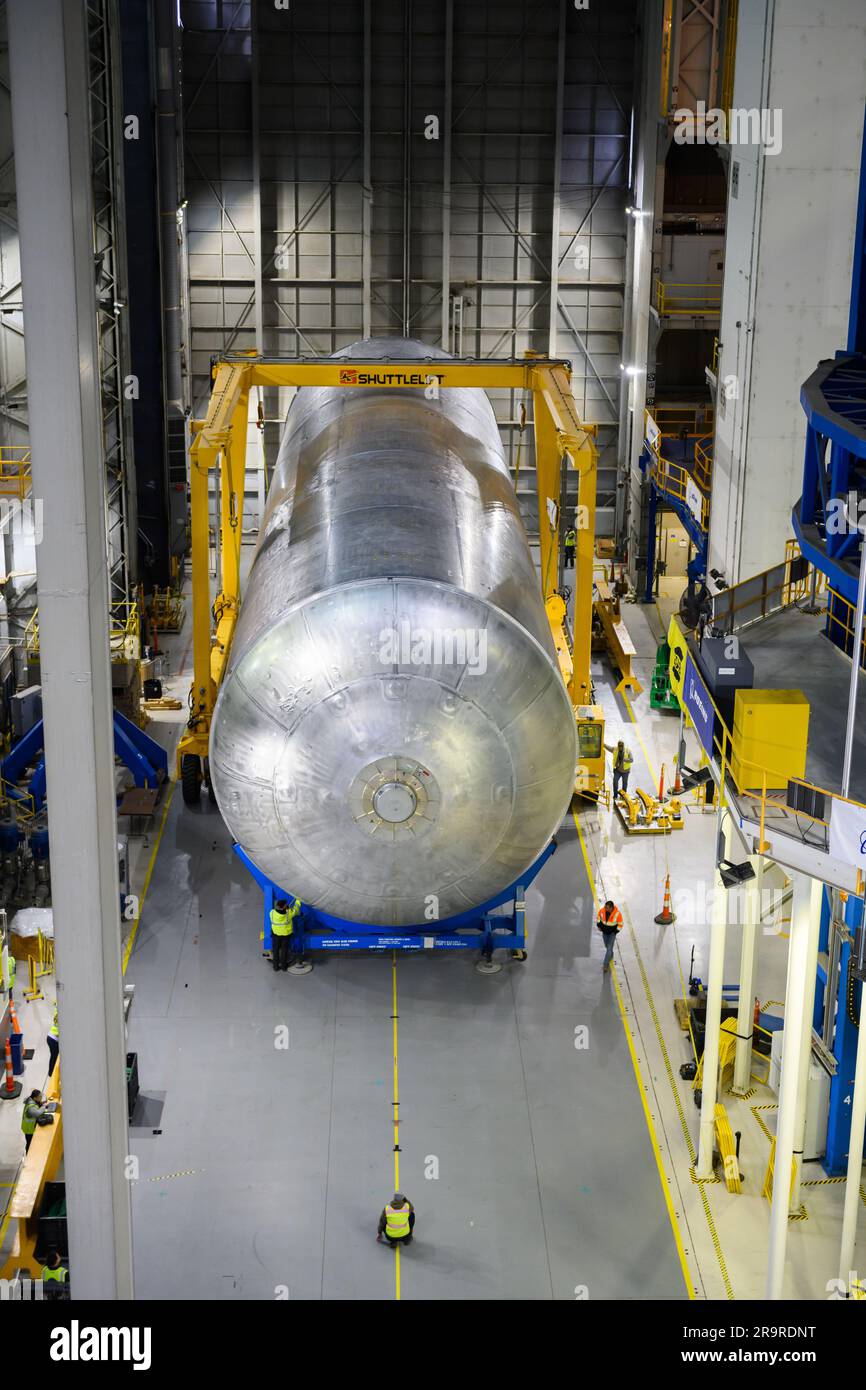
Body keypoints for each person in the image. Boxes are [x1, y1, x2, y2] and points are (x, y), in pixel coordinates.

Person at [270, 897, 301, 973]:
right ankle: (284, 967)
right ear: (284, 907)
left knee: (275, 950)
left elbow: (278, 912)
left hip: (275, 935)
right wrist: (298, 901)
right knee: (284, 951)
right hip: (285, 936)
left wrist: (285, 909)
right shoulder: (288, 914)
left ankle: (275, 967)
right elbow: (296, 910)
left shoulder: (272, 912)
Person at [597, 900, 623, 973]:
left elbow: (620, 924)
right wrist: (599, 926)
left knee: (609, 948)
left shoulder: (617, 914)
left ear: (611, 908)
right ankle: (611, 955)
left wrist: (615, 932)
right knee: (607, 946)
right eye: (605, 907)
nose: (605, 908)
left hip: (612, 934)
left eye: (607, 908)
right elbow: (598, 918)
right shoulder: (602, 911)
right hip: (604, 933)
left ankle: (605, 965)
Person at [47, 1003, 59, 1077]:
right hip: (54, 1039)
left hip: (50, 1037)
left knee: (53, 1057)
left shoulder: (57, 1009)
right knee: (54, 1058)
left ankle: (51, 1074)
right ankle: (51, 1074)